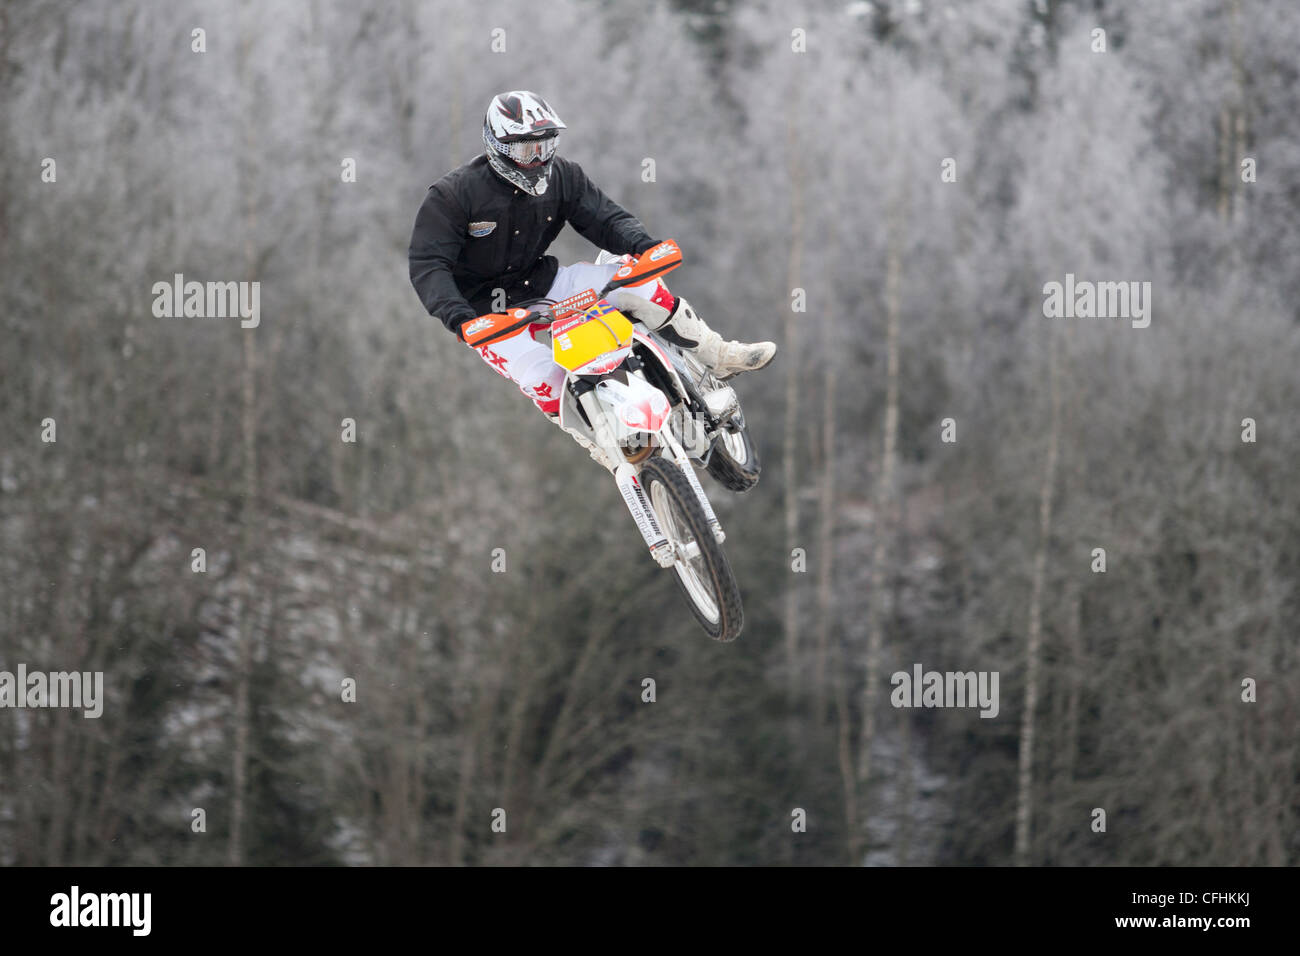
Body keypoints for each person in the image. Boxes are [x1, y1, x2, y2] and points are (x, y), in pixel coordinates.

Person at [408, 90, 775, 467]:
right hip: (488, 316)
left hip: (547, 283)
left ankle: (718, 355)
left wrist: (645, 248)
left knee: (640, 284)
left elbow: (604, 218)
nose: (537, 159)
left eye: (545, 145)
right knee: (546, 379)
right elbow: (427, 264)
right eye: (524, 151)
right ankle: (596, 442)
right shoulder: (452, 196)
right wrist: (462, 319)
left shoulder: (563, 176)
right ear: (496, 145)